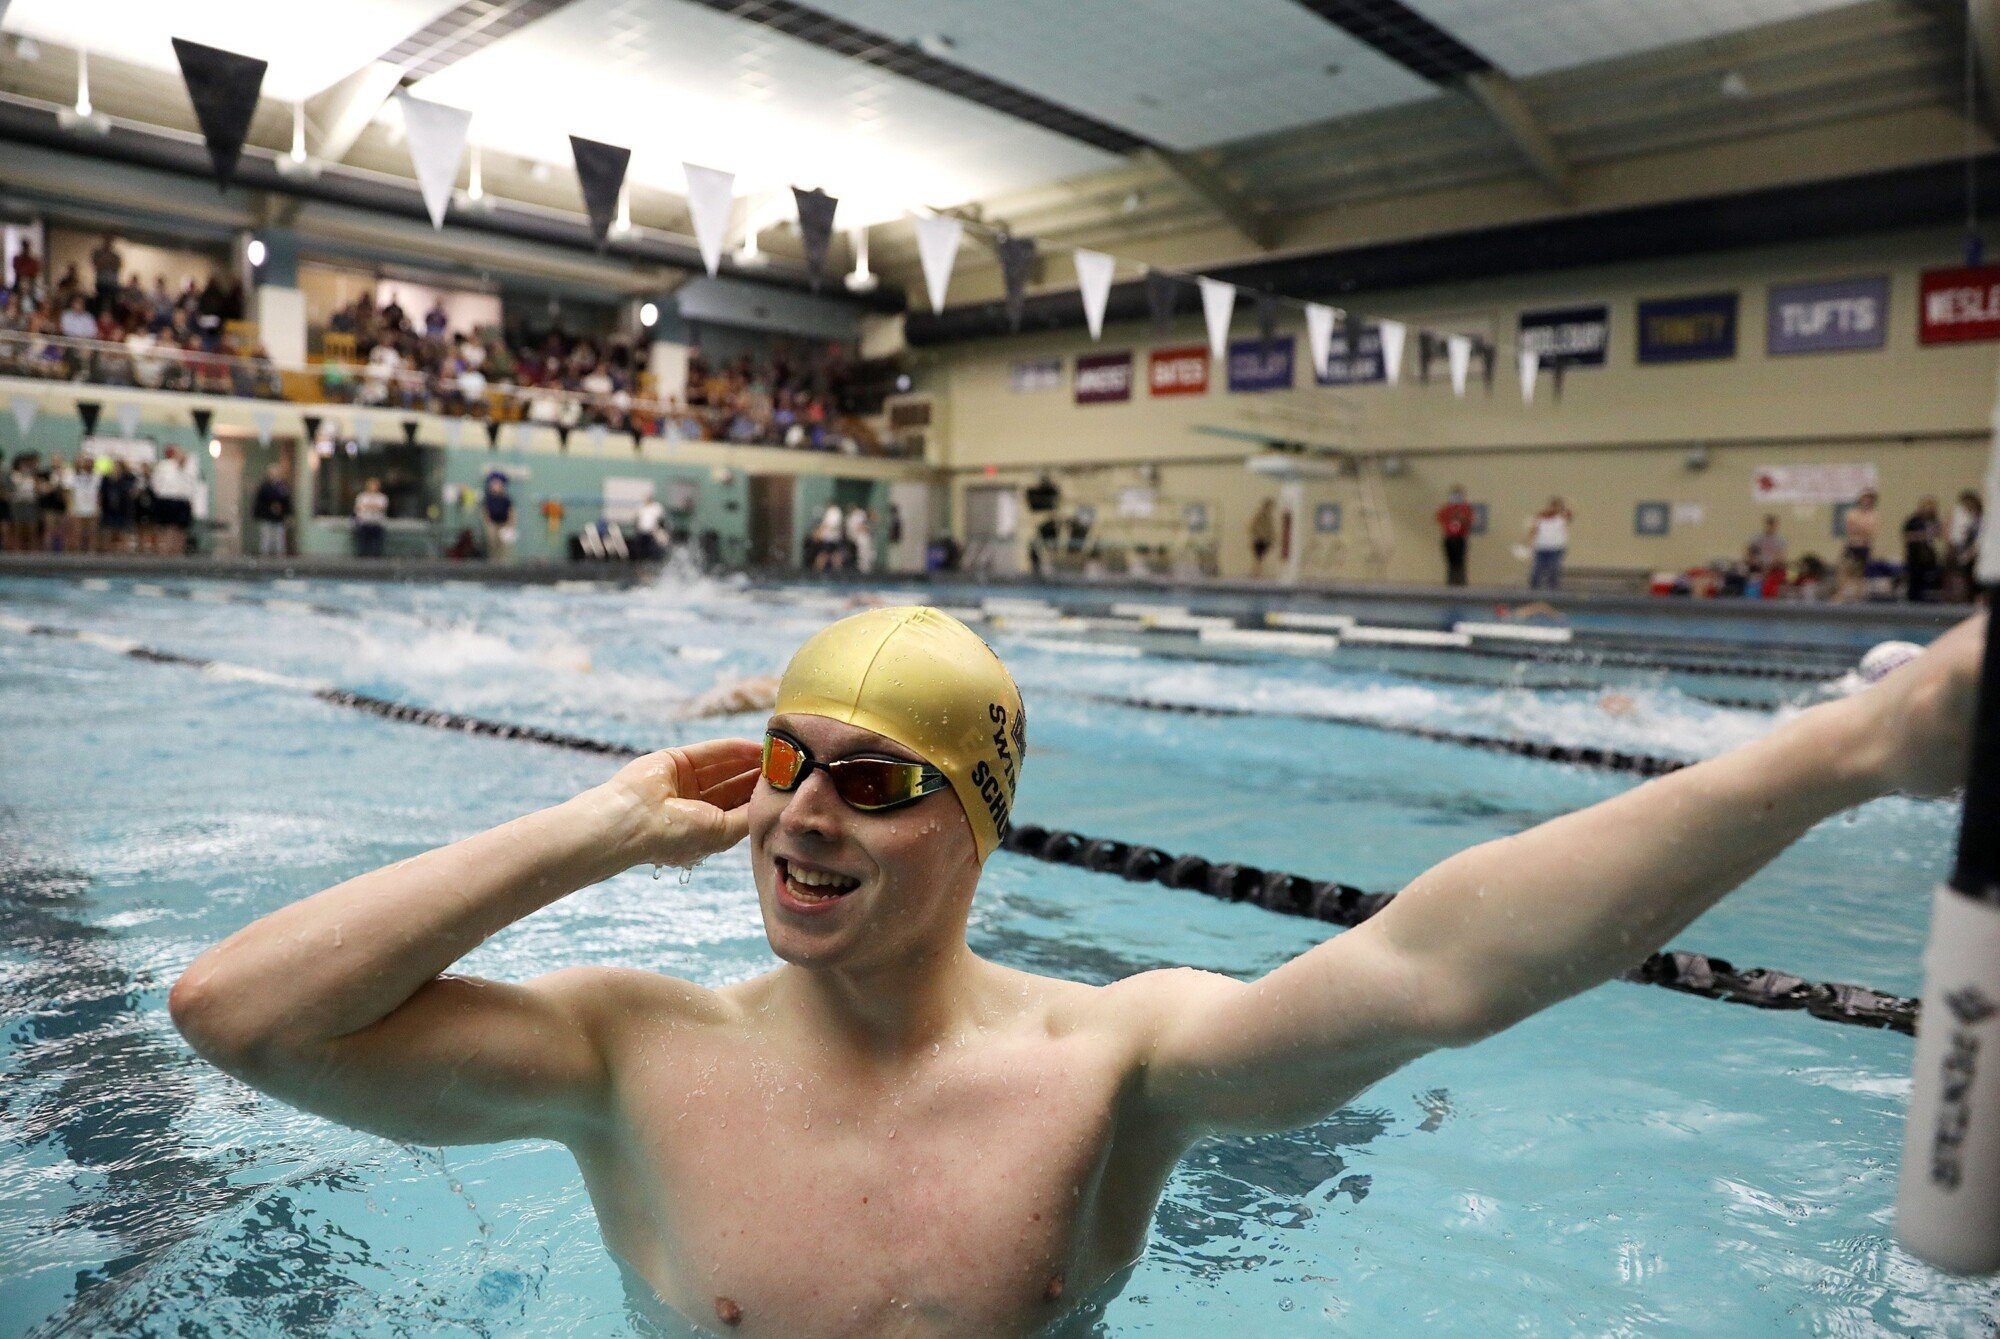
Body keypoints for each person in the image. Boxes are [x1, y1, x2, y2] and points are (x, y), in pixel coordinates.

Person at [169, 607, 1986, 1337]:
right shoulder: (628, 1055)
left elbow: (1452, 956)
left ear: (980, 825)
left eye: (873, 783)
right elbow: (233, 1014)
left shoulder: (1116, 1062)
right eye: (784, 761)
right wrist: (590, 824)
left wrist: (1861, 746)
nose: (801, 817)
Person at [1526, 496, 1572, 591]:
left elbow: (1571, 513)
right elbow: (1532, 530)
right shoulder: (1539, 517)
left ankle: (1553, 588)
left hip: (1557, 547)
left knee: (1553, 568)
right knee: (1537, 570)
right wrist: (1529, 544)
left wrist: (1565, 505)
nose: (1555, 509)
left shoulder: (1562, 517)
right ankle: (1533, 589)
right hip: (1541, 547)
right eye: (1553, 506)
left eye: (1557, 507)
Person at [1902, 496, 1943, 602]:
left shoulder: (1934, 520)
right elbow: (1907, 536)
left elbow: (1939, 534)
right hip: (1915, 555)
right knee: (1914, 581)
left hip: (1929, 555)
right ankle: (1912, 601)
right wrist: (1923, 535)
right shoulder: (1913, 521)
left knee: (1929, 580)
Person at [1947, 489, 1983, 603]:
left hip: (1974, 552)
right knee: (1957, 577)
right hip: (1959, 548)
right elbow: (1950, 531)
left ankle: (1971, 599)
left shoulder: (1980, 519)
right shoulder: (1960, 515)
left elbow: (1980, 539)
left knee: (1971, 580)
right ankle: (1956, 599)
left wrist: (1971, 553)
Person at [252, 463, 292, 558]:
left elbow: (287, 502)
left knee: (279, 539)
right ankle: (265, 558)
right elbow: (260, 502)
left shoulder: (283, 487)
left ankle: (280, 557)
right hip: (267, 517)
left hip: (279, 519)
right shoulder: (265, 487)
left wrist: (287, 514)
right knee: (266, 539)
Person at [1436, 486, 1473, 586]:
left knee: (1460, 562)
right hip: (1449, 538)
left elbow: (1469, 522)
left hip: (1460, 539)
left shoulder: (1466, 508)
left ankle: (1461, 582)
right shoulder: (1446, 508)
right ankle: (1451, 582)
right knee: (1451, 563)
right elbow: (1439, 518)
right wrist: (1451, 514)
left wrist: (1460, 517)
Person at [481, 472, 515, 562]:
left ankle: (503, 564)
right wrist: (488, 523)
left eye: (497, 484)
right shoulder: (488, 499)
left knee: (504, 546)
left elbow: (511, 512)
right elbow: (485, 512)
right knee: (492, 543)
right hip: (493, 524)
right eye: (493, 484)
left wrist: (510, 525)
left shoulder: (506, 499)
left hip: (504, 524)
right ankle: (493, 563)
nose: (495, 486)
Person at [352, 476, 389, 558]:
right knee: (362, 544)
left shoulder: (382, 497)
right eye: (371, 485)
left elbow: (381, 508)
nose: (373, 487)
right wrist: (373, 506)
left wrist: (368, 506)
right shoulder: (362, 496)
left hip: (377, 523)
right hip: (364, 523)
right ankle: (362, 557)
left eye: (375, 485)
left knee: (376, 545)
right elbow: (359, 507)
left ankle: (376, 558)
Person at [1842, 489, 1880, 568]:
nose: (1866, 502)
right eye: (1865, 499)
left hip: (1864, 547)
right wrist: (1861, 528)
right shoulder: (1852, 513)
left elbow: (1871, 531)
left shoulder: (1874, 516)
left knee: (1861, 570)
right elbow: (1849, 528)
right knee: (1847, 568)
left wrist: (1859, 528)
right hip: (1851, 546)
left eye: (1869, 500)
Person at [1248, 497, 1276, 578]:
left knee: (1259, 558)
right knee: (1258, 558)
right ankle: (1256, 573)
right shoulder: (1261, 516)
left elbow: (1270, 530)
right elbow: (1253, 527)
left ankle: (1257, 573)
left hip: (1263, 540)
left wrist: (1271, 539)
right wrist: (1260, 535)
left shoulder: (1268, 517)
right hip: (1260, 539)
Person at [844, 505, 874, 575]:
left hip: (860, 537)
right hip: (859, 537)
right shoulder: (856, 516)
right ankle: (863, 570)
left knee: (868, 553)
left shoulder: (859, 515)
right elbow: (859, 527)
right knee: (862, 553)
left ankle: (865, 569)